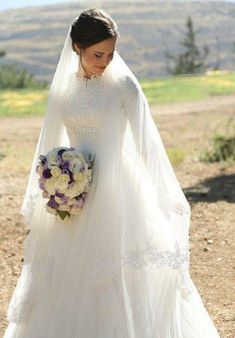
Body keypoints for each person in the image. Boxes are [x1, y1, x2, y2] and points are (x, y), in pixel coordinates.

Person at [3, 8, 220, 338]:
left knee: (121, 272)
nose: (104, 62)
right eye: (97, 54)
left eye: (110, 54)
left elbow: (148, 146)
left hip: (120, 192)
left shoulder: (124, 87)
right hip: (75, 197)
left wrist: (163, 195)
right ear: (77, 47)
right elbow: (53, 143)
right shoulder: (62, 91)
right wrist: (57, 177)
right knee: (69, 275)